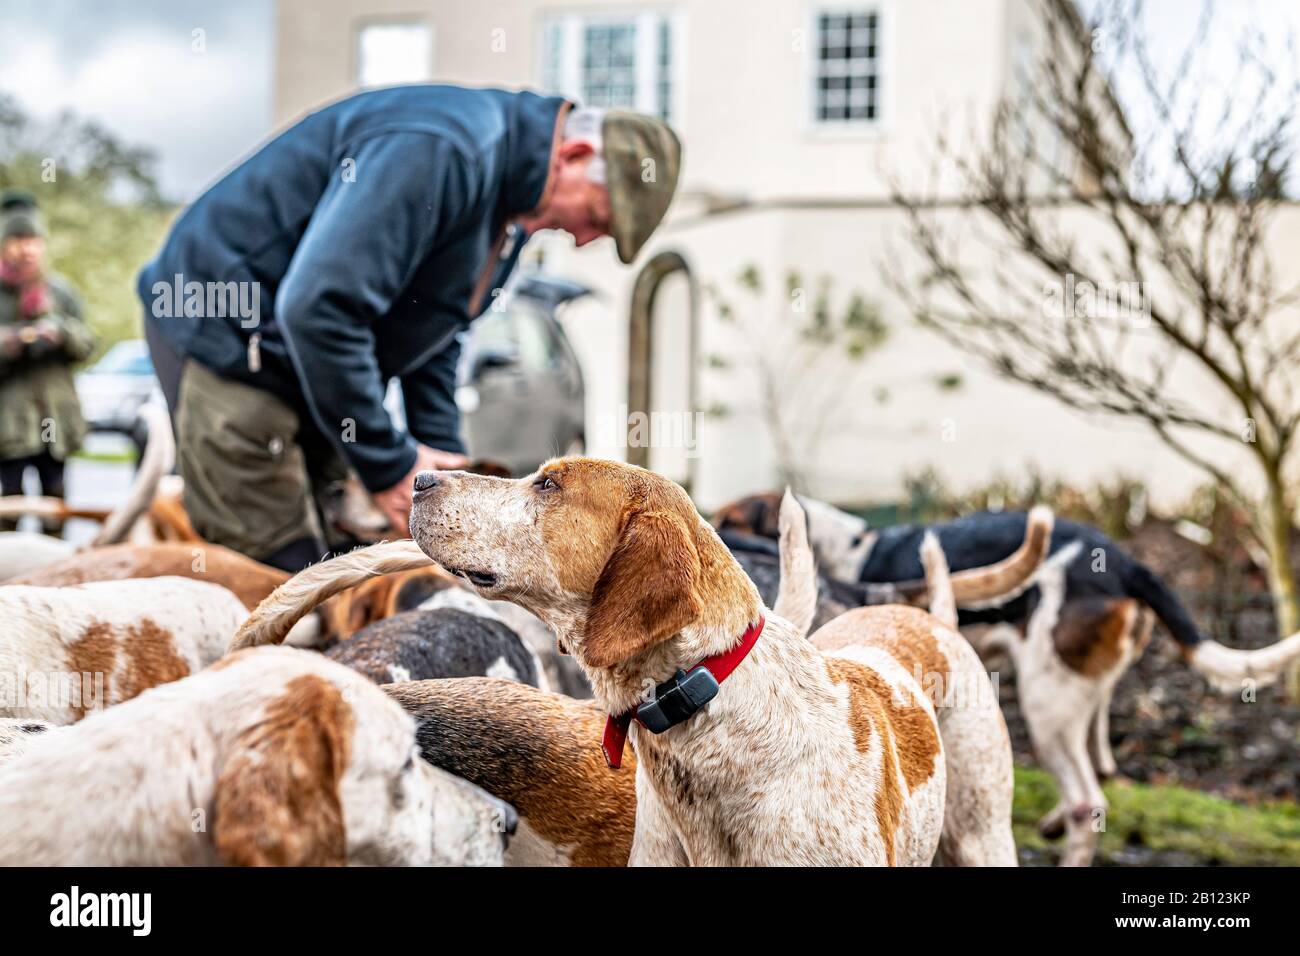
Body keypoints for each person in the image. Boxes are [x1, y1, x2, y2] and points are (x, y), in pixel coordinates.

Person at [138, 86, 680, 571]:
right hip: (228, 337)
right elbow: (319, 307)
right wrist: (390, 466)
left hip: (302, 361)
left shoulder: (507, 211)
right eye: (601, 220)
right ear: (575, 155)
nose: (585, 241)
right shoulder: (442, 149)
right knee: (280, 572)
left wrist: (438, 462)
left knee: (341, 559)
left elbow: (438, 331)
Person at [0, 190, 95, 533]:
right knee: (9, 503)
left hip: (54, 417)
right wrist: (11, 342)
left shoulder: (59, 292)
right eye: (17, 239)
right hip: (8, 423)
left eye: (32, 240)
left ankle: (54, 570)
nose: (26, 249)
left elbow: (87, 345)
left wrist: (60, 333)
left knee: (56, 503)